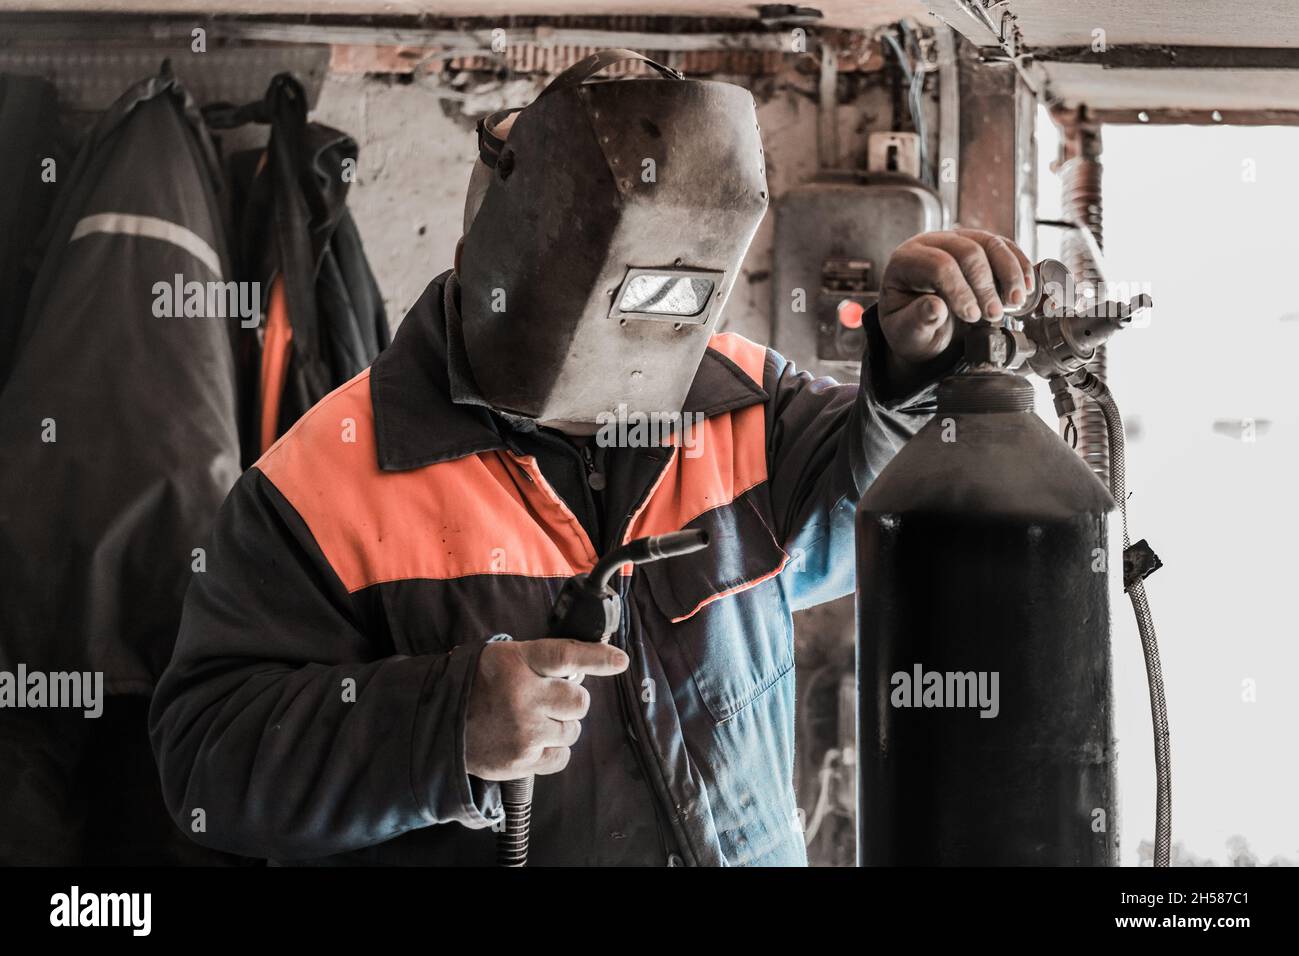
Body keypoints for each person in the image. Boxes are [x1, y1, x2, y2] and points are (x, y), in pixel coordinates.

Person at [149, 50, 1031, 866]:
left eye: (669, 300)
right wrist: (439, 725)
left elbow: (874, 527)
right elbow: (205, 765)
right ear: (489, 247)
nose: (639, 349)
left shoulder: (746, 401)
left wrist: (916, 369)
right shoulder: (329, 479)